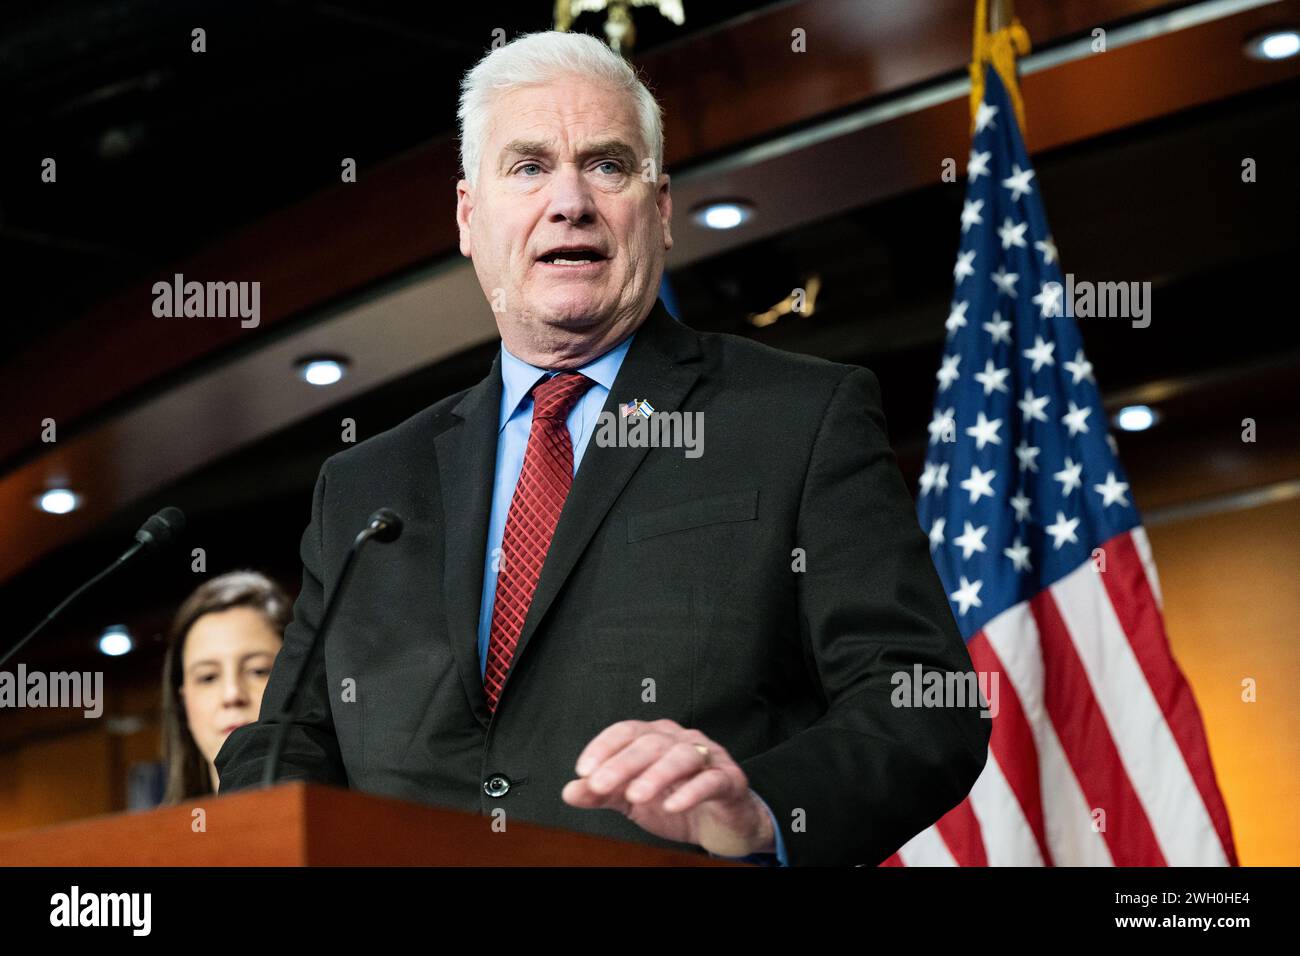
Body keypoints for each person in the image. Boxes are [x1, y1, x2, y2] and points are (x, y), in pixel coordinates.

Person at [216, 30, 990, 865]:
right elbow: (289, 734)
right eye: (528, 166)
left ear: (660, 213)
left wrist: (763, 808)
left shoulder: (798, 417)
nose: (570, 201)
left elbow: (924, 701)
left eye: (608, 165)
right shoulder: (366, 484)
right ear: (469, 218)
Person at [161, 571, 290, 804]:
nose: (232, 694)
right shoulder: (156, 838)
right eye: (208, 677)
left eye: (258, 671)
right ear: (182, 701)